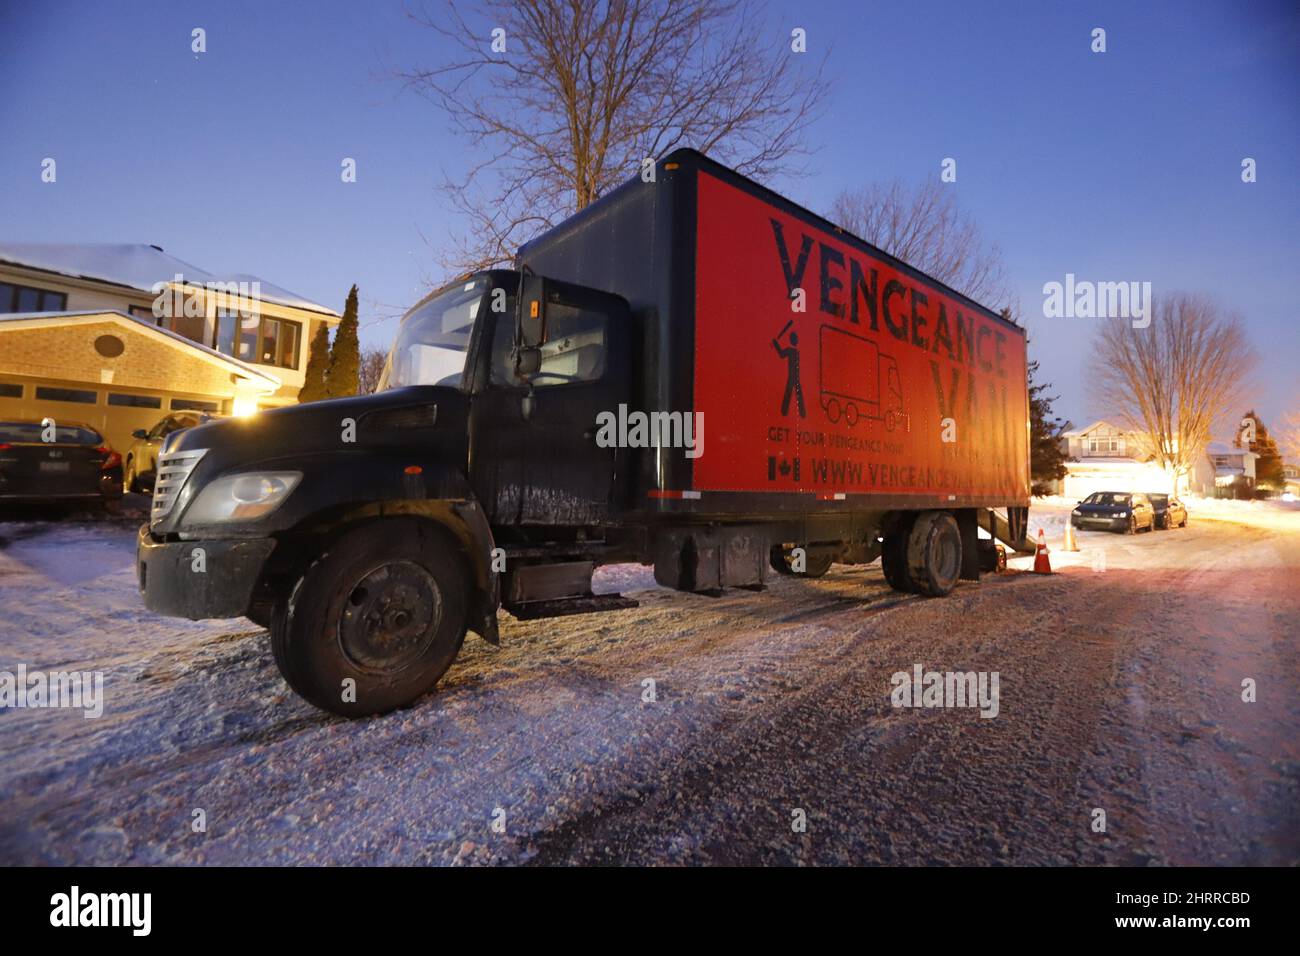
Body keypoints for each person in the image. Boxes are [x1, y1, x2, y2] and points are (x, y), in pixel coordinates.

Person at [772, 329, 806, 418]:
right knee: (793, 394)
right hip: (794, 377)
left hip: (793, 377)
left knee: (791, 394)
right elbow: (781, 354)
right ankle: (800, 413)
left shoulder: (793, 351)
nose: (797, 340)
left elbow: (781, 354)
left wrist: (775, 343)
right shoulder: (794, 351)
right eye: (796, 338)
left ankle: (791, 412)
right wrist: (775, 343)